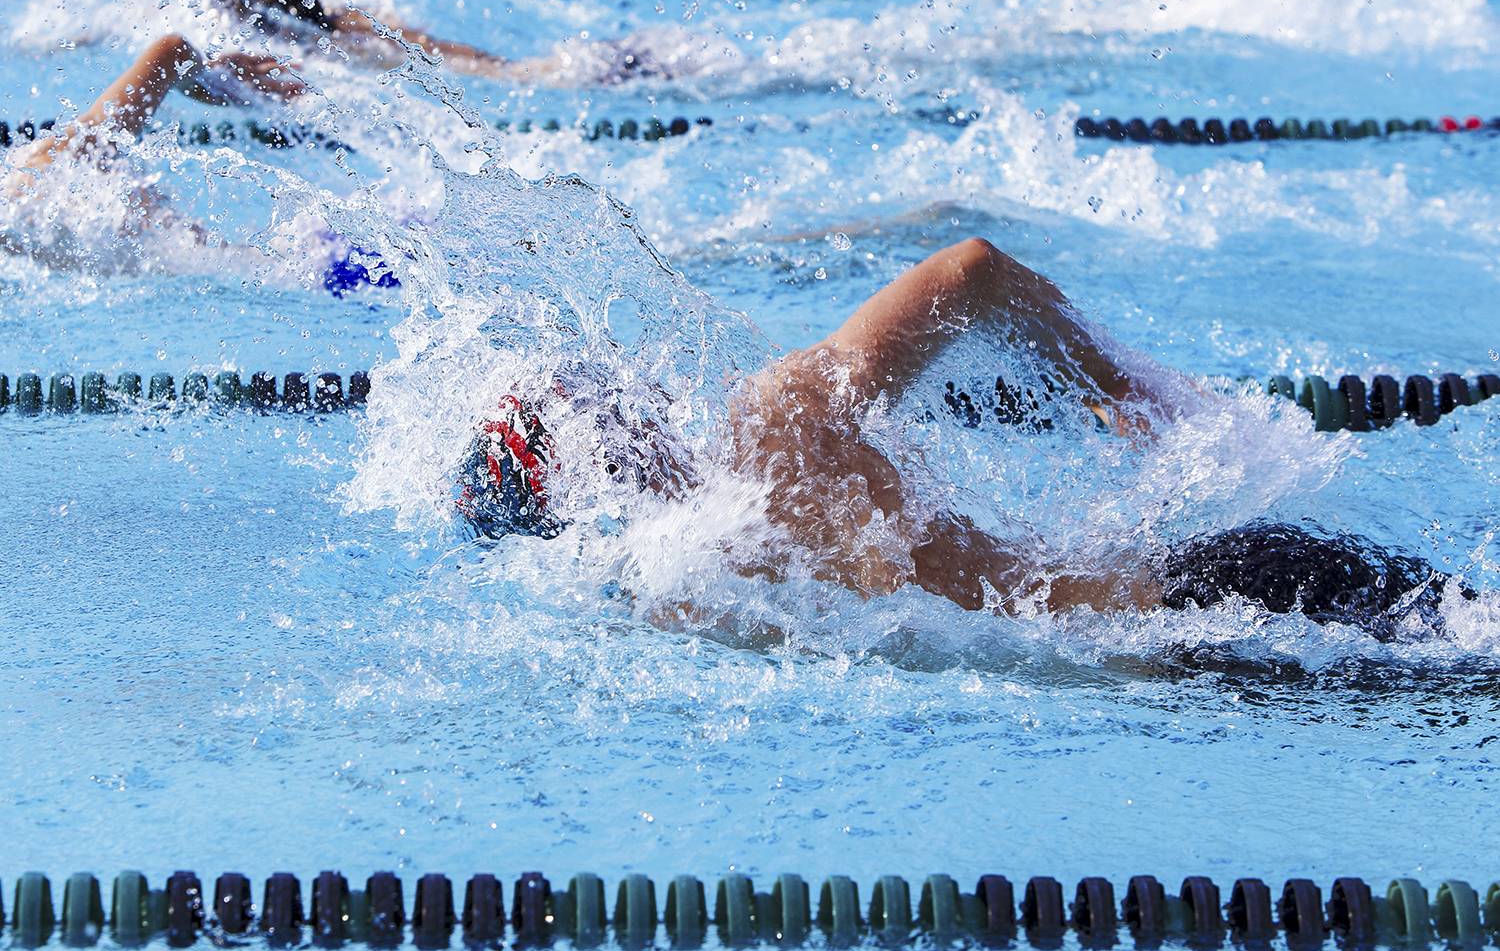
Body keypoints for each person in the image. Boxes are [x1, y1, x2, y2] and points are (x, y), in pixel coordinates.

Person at [457, 237, 1464, 639]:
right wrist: (1108, 383)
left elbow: (969, 269)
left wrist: (1115, 385)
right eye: (583, 401)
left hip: (1214, 603)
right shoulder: (767, 441)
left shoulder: (692, 583)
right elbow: (970, 269)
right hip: (1203, 612)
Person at [2, 34, 305, 269]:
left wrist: (217, 85)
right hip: (271, 262)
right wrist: (214, 84)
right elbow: (172, 51)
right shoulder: (51, 164)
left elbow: (171, 51)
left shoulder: (52, 165)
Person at [223, 0, 666, 85]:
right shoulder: (346, 18)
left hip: (471, 67)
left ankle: (627, 66)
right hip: (457, 53)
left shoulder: (344, 42)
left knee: (531, 73)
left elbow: (429, 50)